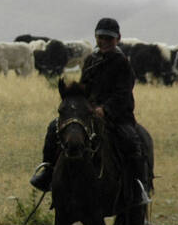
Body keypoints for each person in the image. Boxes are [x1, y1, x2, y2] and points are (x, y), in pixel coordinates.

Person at [29, 17, 150, 206]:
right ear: (95, 37)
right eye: (101, 37)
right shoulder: (91, 60)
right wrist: (79, 103)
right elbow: (84, 88)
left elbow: (123, 93)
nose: (104, 41)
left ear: (118, 39)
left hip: (117, 115)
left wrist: (105, 109)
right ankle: (49, 173)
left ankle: (137, 188)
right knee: (53, 129)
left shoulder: (122, 63)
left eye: (108, 39)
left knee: (131, 141)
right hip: (89, 112)